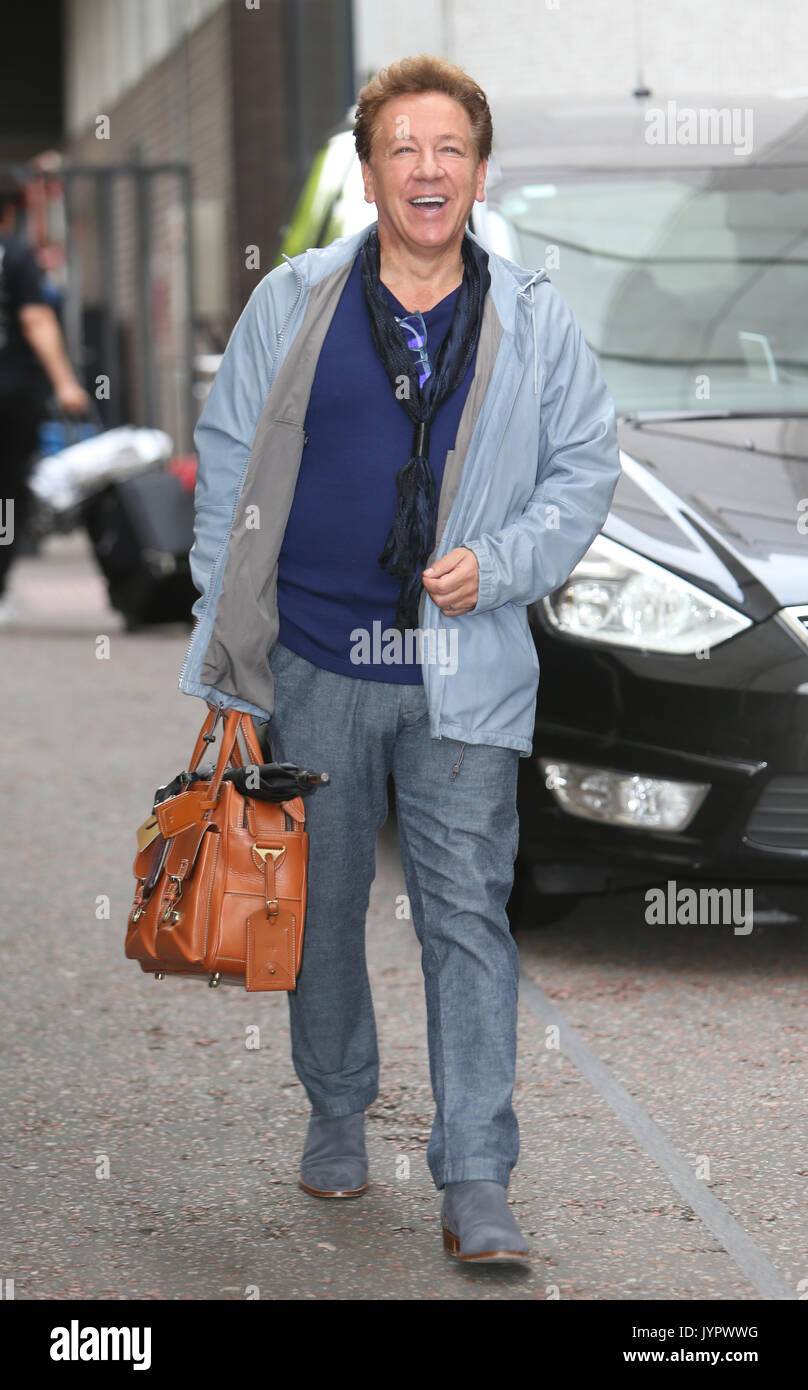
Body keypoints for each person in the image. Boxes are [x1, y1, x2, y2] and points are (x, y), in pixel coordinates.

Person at [179, 54, 622, 1264]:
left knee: (466, 915)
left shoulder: (532, 317)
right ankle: (335, 1108)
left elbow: (585, 469)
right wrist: (231, 647)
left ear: (480, 170)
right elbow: (228, 465)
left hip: (463, 669)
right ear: (369, 170)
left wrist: (506, 560)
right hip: (318, 661)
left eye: (449, 149)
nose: (426, 170)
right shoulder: (298, 302)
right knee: (315, 914)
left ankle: (477, 1173)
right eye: (401, 149)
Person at [0, 175, 90, 622]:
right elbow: (36, 319)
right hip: (10, 396)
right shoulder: (15, 257)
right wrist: (65, 382)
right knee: (7, 492)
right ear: (11, 211)